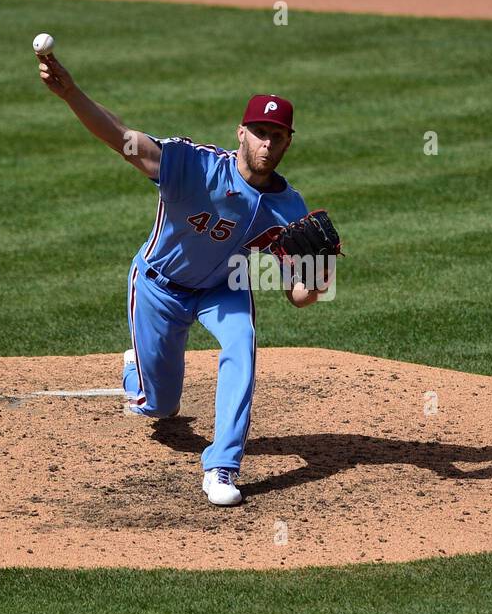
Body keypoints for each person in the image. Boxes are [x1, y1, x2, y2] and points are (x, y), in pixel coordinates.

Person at [36, 49, 335, 506]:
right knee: (159, 408)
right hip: (158, 284)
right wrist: (70, 93)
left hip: (225, 287)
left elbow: (296, 295)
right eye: (259, 133)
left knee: (242, 346)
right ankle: (139, 371)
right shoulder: (192, 166)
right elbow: (121, 138)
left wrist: (317, 282)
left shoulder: (290, 208)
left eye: (277, 135)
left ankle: (222, 467)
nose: (266, 144)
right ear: (241, 133)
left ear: (288, 141)